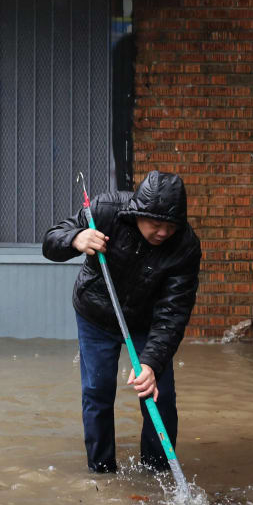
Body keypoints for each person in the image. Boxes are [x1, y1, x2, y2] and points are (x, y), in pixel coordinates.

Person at [43, 170, 201, 473]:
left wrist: (152, 364)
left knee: (159, 394)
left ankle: (157, 472)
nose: (163, 233)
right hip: (96, 314)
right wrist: (76, 238)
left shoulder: (186, 246)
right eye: (156, 224)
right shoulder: (105, 211)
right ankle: (102, 471)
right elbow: (50, 241)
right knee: (98, 389)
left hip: (147, 322)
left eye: (170, 226)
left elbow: (174, 312)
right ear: (139, 213)